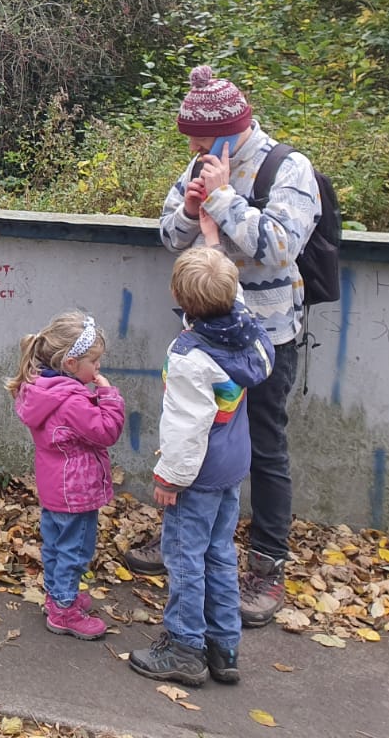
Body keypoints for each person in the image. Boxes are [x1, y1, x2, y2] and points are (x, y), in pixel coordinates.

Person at [132, 66, 321, 627]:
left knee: (262, 447)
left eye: (198, 140)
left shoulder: (287, 169)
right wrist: (192, 208)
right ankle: (182, 539)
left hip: (264, 339)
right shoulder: (199, 165)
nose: (192, 150)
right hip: (203, 335)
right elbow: (168, 236)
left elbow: (281, 247)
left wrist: (222, 201)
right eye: (189, 141)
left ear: (232, 129)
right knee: (191, 434)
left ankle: (266, 564)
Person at [129, 245, 275, 687]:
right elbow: (230, 295)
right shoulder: (249, 333)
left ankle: (185, 648)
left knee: (184, 558)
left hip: (198, 473)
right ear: (232, 293)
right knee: (220, 553)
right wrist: (212, 244)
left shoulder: (190, 357)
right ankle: (224, 647)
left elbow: (185, 426)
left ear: (178, 296)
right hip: (233, 465)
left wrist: (169, 478)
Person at [8, 311, 125, 640]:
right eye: (95, 361)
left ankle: (57, 593)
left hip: (54, 487)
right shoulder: (72, 401)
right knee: (76, 548)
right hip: (77, 490)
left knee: (57, 544)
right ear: (72, 363)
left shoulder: (42, 390)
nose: (98, 367)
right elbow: (107, 430)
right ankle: (64, 608)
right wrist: (109, 396)